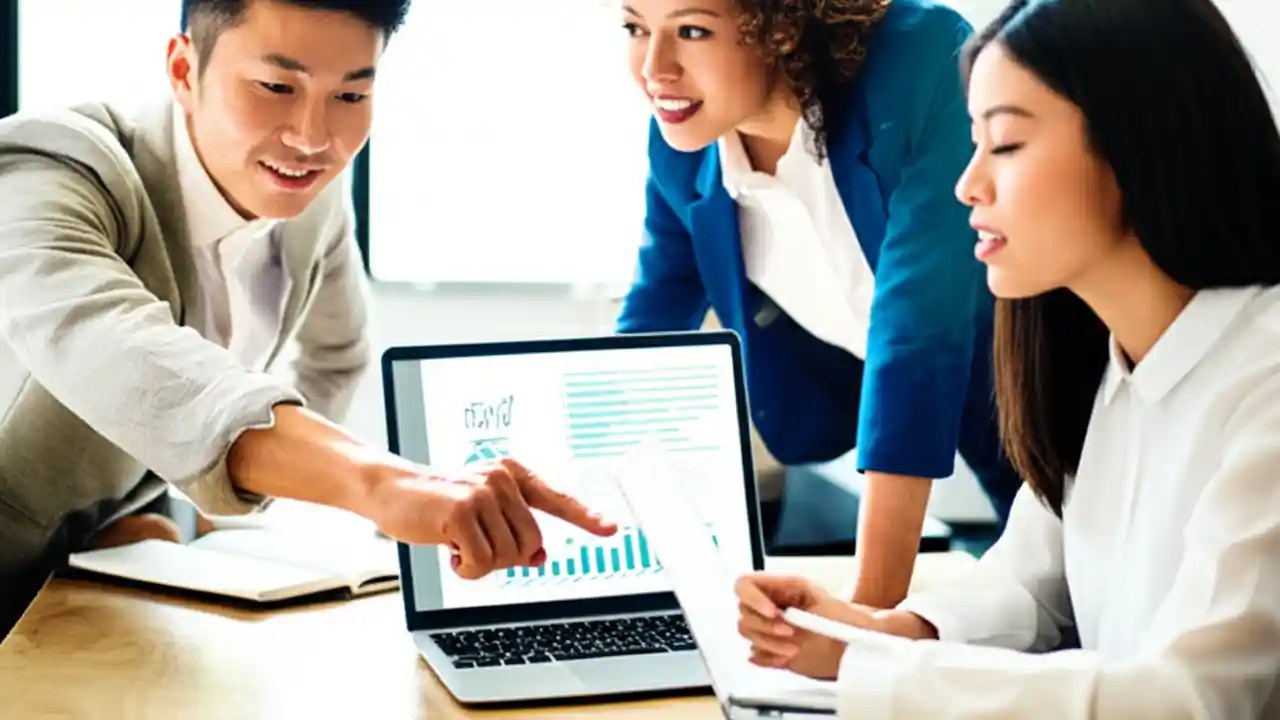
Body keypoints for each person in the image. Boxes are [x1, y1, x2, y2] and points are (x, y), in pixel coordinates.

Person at [733, 0, 1280, 715]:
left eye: (1007, 144)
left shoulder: (1264, 383)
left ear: (1142, 144)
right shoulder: (1109, 364)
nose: (968, 184)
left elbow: (1191, 697)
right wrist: (863, 635)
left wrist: (876, 675)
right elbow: (1029, 587)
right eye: (973, 143)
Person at [0, 0, 614, 633]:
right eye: (275, 87)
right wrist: (379, 484)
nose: (313, 138)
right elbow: (115, 350)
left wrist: (235, 504)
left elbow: (338, 354)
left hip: (79, 587)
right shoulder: (49, 165)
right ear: (184, 69)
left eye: (350, 96)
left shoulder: (306, 193)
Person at [615, 0, 1020, 608]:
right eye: (635, 28)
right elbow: (651, 325)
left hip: (1043, 379)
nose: (654, 69)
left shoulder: (916, 59)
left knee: (1085, 591)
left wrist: (863, 616)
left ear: (780, 25)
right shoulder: (685, 136)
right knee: (1033, 595)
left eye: (692, 30)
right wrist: (558, 493)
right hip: (900, 398)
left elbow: (917, 336)